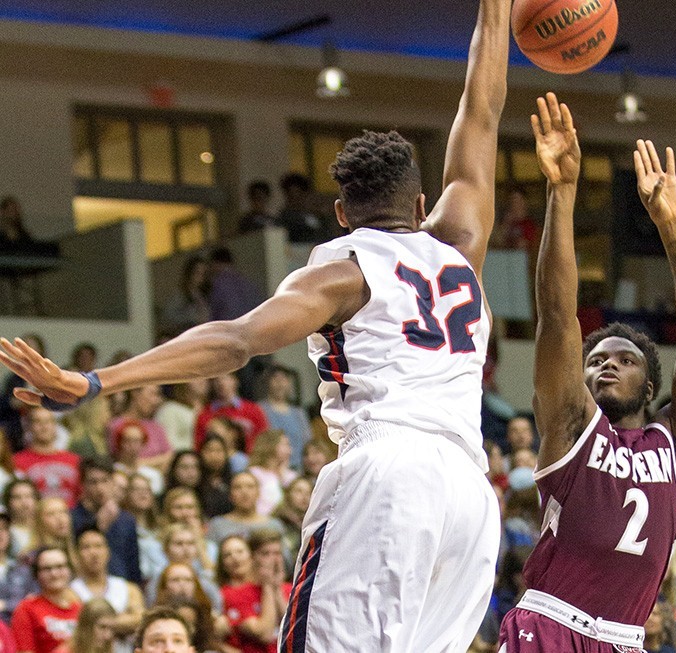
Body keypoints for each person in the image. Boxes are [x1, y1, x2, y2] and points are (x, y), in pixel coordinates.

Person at [0, 0, 511, 646]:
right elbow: (482, 113)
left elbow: (234, 340)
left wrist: (99, 380)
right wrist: (497, 16)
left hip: (390, 472)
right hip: (472, 493)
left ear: (340, 214)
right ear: (419, 204)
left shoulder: (341, 272)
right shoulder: (461, 243)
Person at [496, 97, 676, 650]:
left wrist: (671, 227)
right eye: (596, 359)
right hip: (550, 624)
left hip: (625, 637)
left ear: (651, 386)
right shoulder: (571, 424)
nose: (605, 364)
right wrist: (563, 191)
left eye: (624, 359)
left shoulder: (674, 442)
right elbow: (556, 314)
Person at [68, 529, 143, 653]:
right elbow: (75, 628)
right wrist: (124, 621)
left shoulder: (128, 588)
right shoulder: (70, 592)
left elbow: (140, 621)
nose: (94, 552)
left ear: (108, 551)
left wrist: (96, 623)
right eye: (86, 547)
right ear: (76, 554)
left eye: (99, 546)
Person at [68, 458, 141, 585]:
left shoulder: (126, 520)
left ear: (113, 483)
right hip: (84, 587)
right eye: (93, 482)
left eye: (105, 480)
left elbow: (133, 565)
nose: (100, 487)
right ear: (83, 484)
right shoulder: (71, 518)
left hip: (121, 587)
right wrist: (98, 527)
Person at [11, 547, 81, 653]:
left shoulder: (81, 609)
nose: (54, 574)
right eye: (47, 569)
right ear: (37, 574)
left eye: (60, 567)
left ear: (69, 570)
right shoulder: (26, 609)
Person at [12, 407, 81, 506]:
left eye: (48, 421)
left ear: (55, 426)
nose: (44, 426)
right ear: (29, 427)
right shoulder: (16, 462)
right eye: (38, 422)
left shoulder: (75, 461)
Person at [257, 366, 309, 469]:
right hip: (271, 467)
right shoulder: (260, 409)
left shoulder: (299, 413)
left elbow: (307, 440)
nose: (279, 383)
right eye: (275, 379)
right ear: (268, 382)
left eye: (283, 379)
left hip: (299, 468)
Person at [159, 256, 211, 339]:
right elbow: (167, 316)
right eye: (197, 273)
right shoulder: (180, 295)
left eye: (203, 274)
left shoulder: (201, 295)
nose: (200, 278)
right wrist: (191, 317)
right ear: (190, 274)